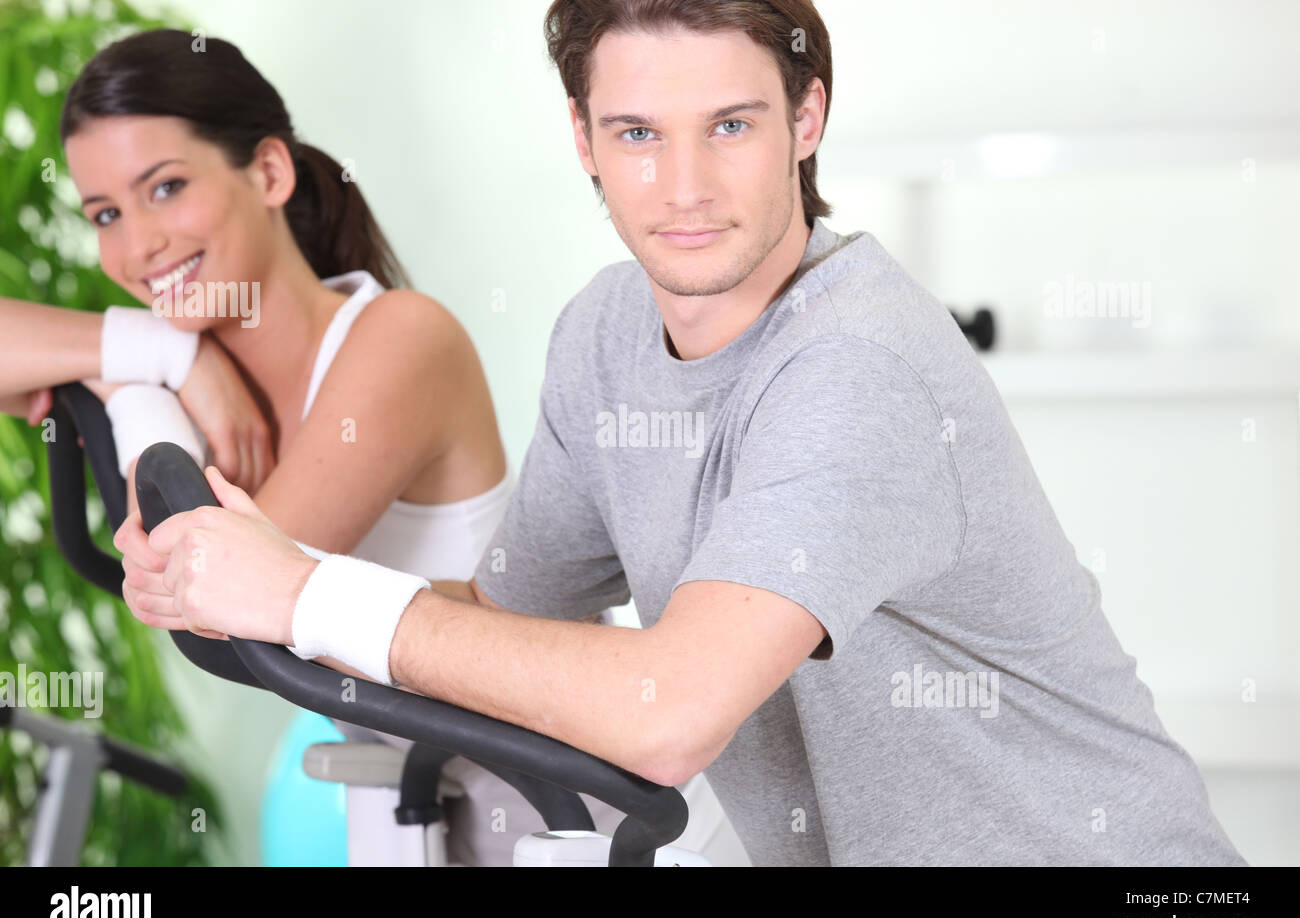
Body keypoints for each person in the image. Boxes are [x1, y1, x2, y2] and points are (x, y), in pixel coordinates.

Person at [116, 0, 1247, 866]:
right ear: (583, 138)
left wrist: (305, 599)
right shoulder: (607, 331)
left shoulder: (858, 365)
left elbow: (667, 714)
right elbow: (510, 618)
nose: (685, 185)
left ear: (806, 120)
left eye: (732, 125)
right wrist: (268, 566)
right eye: (640, 131)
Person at [0, 27, 738, 867]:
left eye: (166, 188)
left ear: (269, 172)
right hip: (421, 803)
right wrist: (154, 354)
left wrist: (138, 393)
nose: (138, 246)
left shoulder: (399, 339)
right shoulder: (188, 366)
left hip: (587, 810)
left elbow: (227, 593)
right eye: (105, 214)